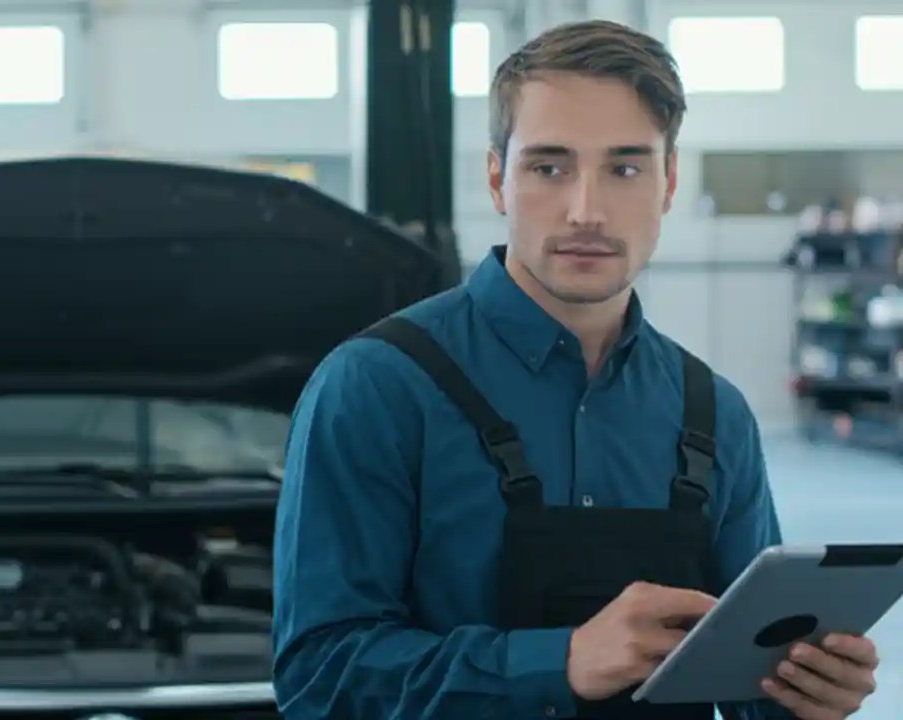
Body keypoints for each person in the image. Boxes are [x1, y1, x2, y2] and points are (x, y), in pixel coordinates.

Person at [271, 19, 881, 720]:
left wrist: (804, 692)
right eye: (549, 167)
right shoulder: (375, 389)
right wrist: (557, 663)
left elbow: (749, 684)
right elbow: (319, 679)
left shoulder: (713, 413)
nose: (586, 210)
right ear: (498, 178)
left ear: (669, 182)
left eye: (625, 168)